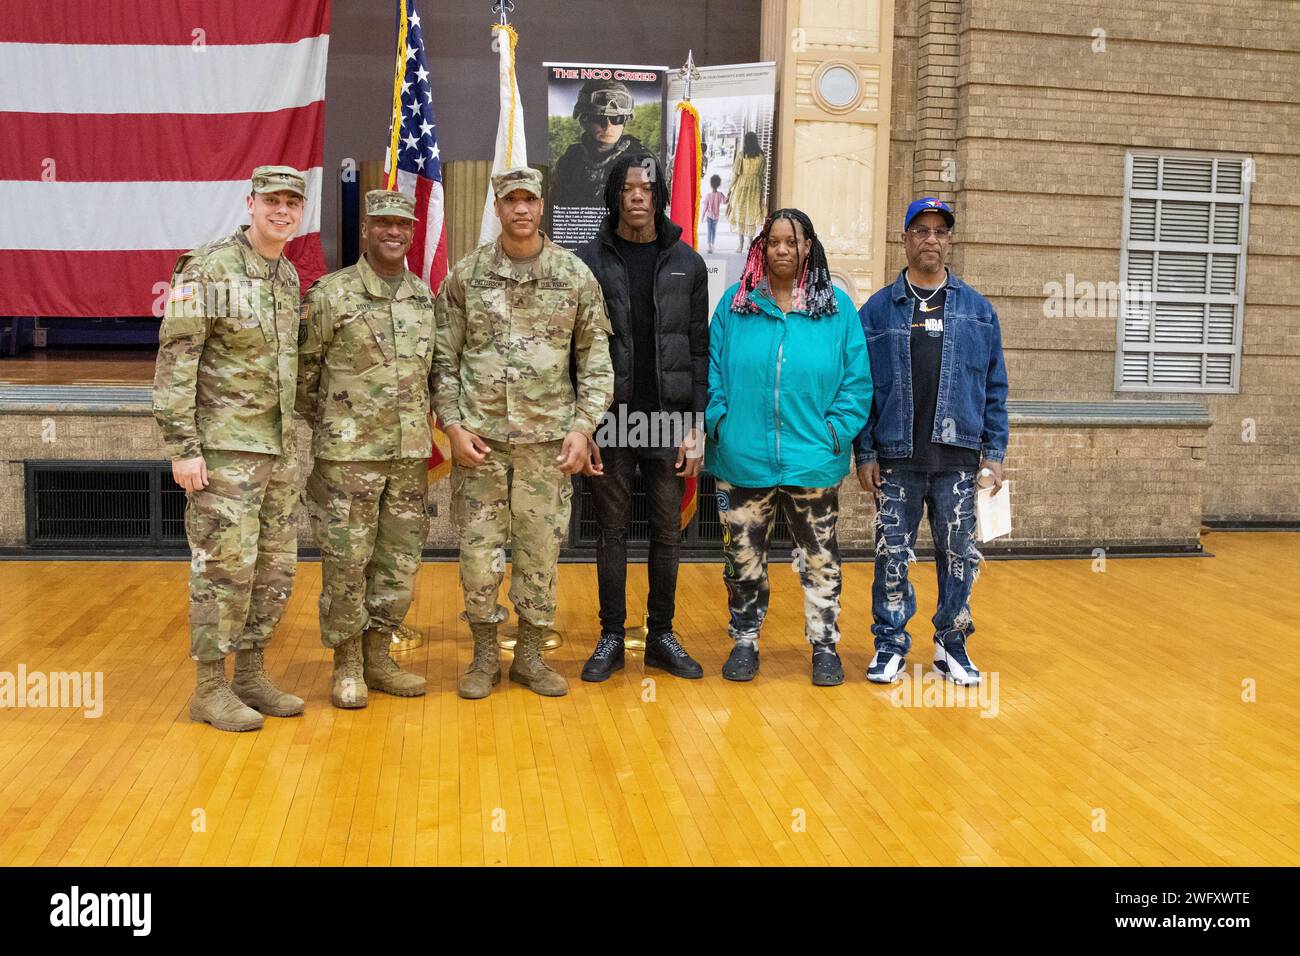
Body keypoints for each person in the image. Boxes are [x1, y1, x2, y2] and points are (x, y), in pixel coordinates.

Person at [434, 166, 614, 699]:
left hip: (547, 447)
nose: (520, 209)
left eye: (529, 200)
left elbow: (596, 361)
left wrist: (584, 429)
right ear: (497, 207)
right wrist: (452, 424)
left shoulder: (574, 276)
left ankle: (530, 656)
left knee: (540, 552)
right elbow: (443, 361)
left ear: (541, 207)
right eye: (510, 200)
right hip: (480, 446)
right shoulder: (466, 277)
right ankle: (485, 655)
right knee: (478, 552)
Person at [153, 165, 307, 732]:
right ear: (250, 203)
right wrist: (182, 446)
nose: (282, 211)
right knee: (223, 567)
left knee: (273, 566)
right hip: (222, 450)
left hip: (279, 450)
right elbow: (176, 359)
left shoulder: (288, 276)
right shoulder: (208, 267)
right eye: (272, 200)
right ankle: (210, 688)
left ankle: (251, 673)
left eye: (292, 202)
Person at [705, 208, 872, 685]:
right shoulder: (735, 307)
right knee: (741, 559)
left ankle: (824, 647)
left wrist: (834, 434)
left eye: (792, 242)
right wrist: (720, 420)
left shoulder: (837, 310)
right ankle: (744, 641)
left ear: (808, 248)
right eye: (773, 241)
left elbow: (857, 384)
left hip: (813, 460)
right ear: (762, 247)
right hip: (742, 460)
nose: (782, 249)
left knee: (820, 560)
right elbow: (711, 370)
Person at [854, 198, 1009, 687]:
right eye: (921, 230)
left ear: (949, 241)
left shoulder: (979, 312)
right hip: (896, 458)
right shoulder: (877, 310)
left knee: (959, 556)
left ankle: (951, 645)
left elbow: (995, 387)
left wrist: (995, 455)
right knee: (891, 554)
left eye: (941, 232)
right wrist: (865, 453)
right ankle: (890, 645)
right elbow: (861, 388)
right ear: (905, 239)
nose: (931, 239)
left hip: (959, 458)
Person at [296, 189, 435, 709]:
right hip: (348, 459)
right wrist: (338, 427)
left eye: (402, 224)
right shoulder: (331, 295)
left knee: (398, 562)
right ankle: (348, 664)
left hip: (407, 457)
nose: (393, 232)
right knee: (347, 563)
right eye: (382, 224)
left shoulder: (423, 297)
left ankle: (379, 657)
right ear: (365, 230)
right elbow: (305, 376)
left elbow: (434, 372)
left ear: (413, 231)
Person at [574, 150, 709, 683]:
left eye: (647, 189)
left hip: (669, 421)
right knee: (609, 533)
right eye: (628, 188)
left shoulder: (688, 263)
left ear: (659, 196)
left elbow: (699, 350)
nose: (637, 196)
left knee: (666, 534)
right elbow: (574, 350)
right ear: (614, 194)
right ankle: (611, 636)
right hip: (610, 419)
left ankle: (662, 636)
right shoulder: (588, 261)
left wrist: (696, 425)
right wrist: (582, 427)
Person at [550, 79, 646, 208]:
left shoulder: (642, 161)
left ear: (625, 122)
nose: (608, 126)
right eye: (599, 118)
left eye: (616, 119)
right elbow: (554, 205)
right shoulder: (569, 160)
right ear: (584, 121)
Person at [726, 132, 766, 252]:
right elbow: (762, 175)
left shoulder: (742, 155)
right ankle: (750, 243)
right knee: (751, 213)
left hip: (742, 187)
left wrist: (730, 188)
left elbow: (735, 174)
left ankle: (740, 244)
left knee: (740, 213)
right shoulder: (761, 156)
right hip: (756, 188)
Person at [701, 174, 727, 254]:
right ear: (718, 184)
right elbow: (725, 202)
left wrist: (702, 216)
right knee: (714, 230)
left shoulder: (708, 195)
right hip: (716, 216)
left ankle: (709, 245)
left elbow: (705, 207)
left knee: (709, 230)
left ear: (711, 184)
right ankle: (712, 244)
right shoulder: (720, 194)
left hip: (709, 216)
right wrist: (729, 195)